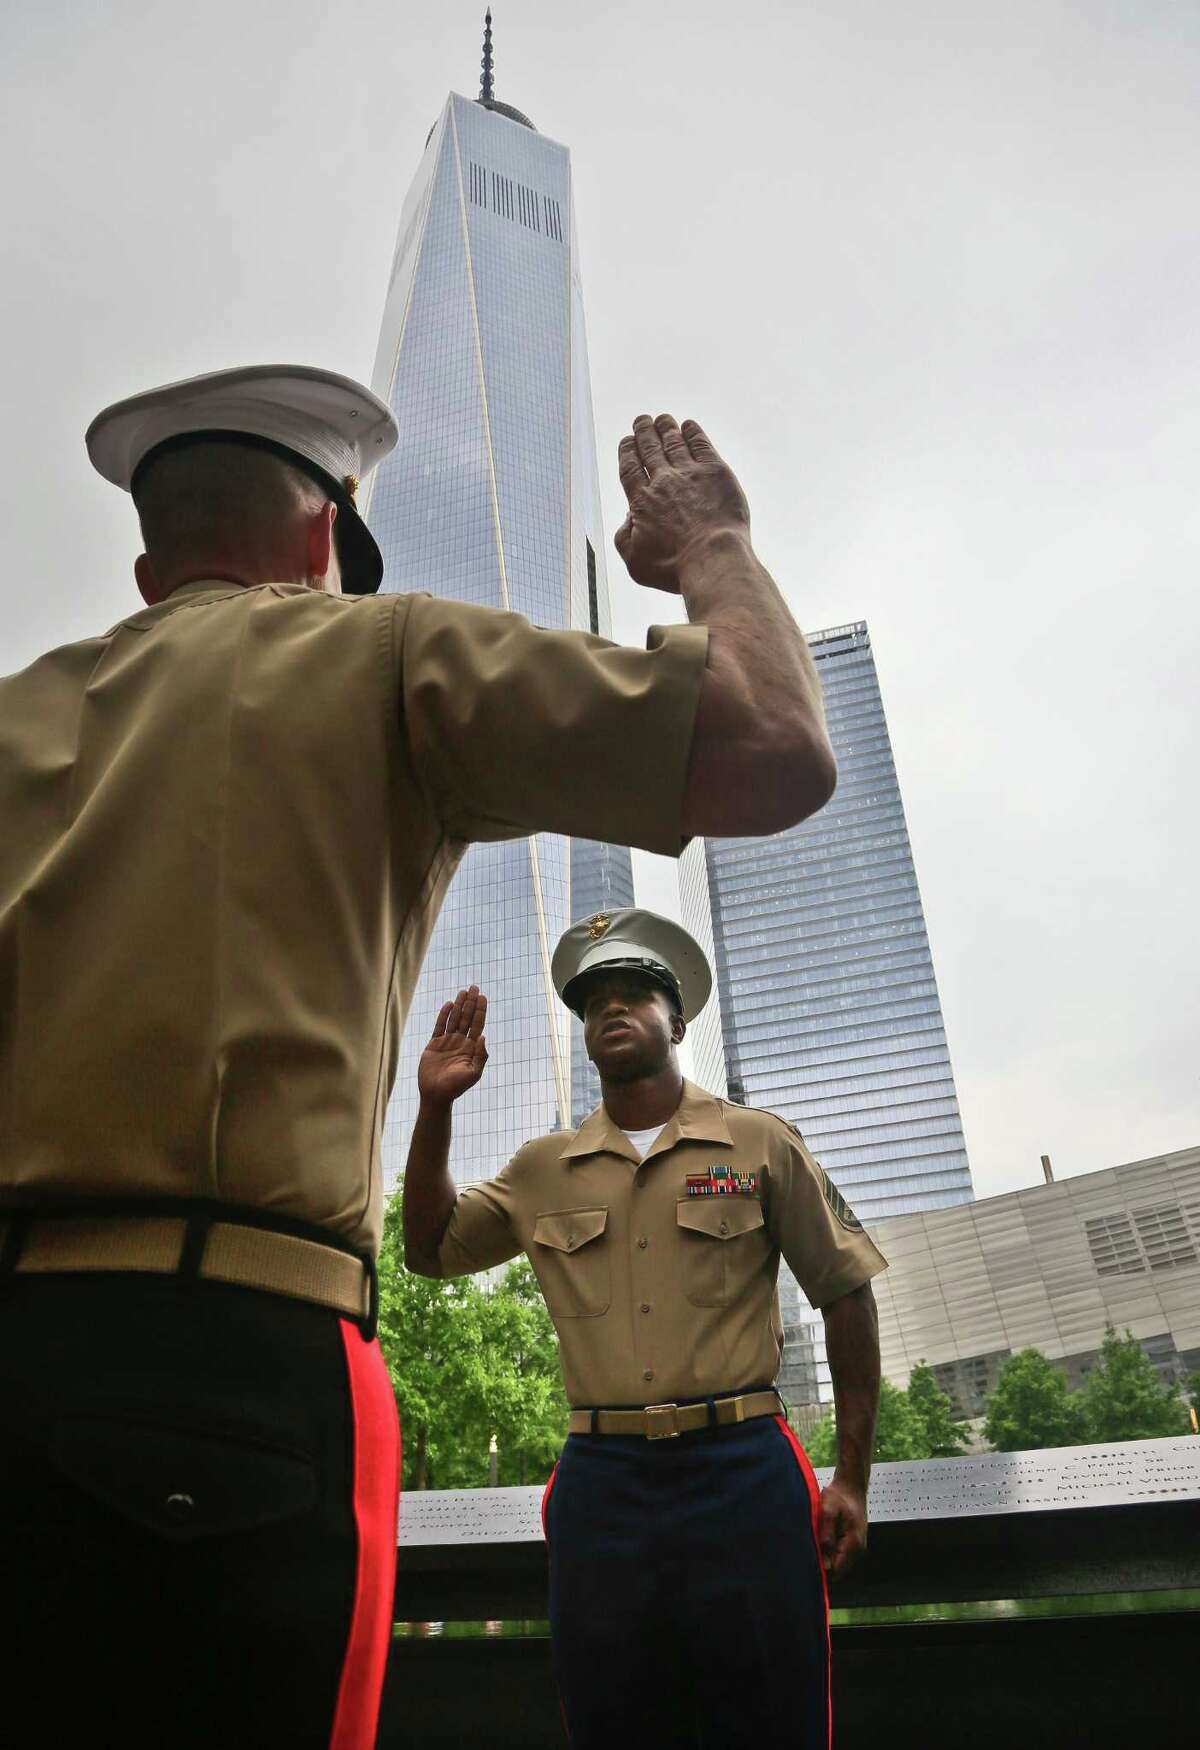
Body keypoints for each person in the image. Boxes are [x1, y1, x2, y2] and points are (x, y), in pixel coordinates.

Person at [0, 363, 836, 1748]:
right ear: (326, 537)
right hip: (235, 1377)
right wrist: (712, 544)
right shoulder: (378, 651)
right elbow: (774, 744)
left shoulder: (19, 712)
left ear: (149, 570)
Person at [403, 908, 887, 1750]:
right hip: (603, 1483)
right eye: (595, 1003)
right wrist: (436, 1109)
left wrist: (852, 1476)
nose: (611, 1011)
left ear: (679, 1021)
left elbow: (846, 1294)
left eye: (634, 994)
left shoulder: (757, 1142)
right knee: (612, 1715)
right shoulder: (540, 1169)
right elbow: (428, 1248)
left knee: (777, 1712)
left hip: (744, 1471)